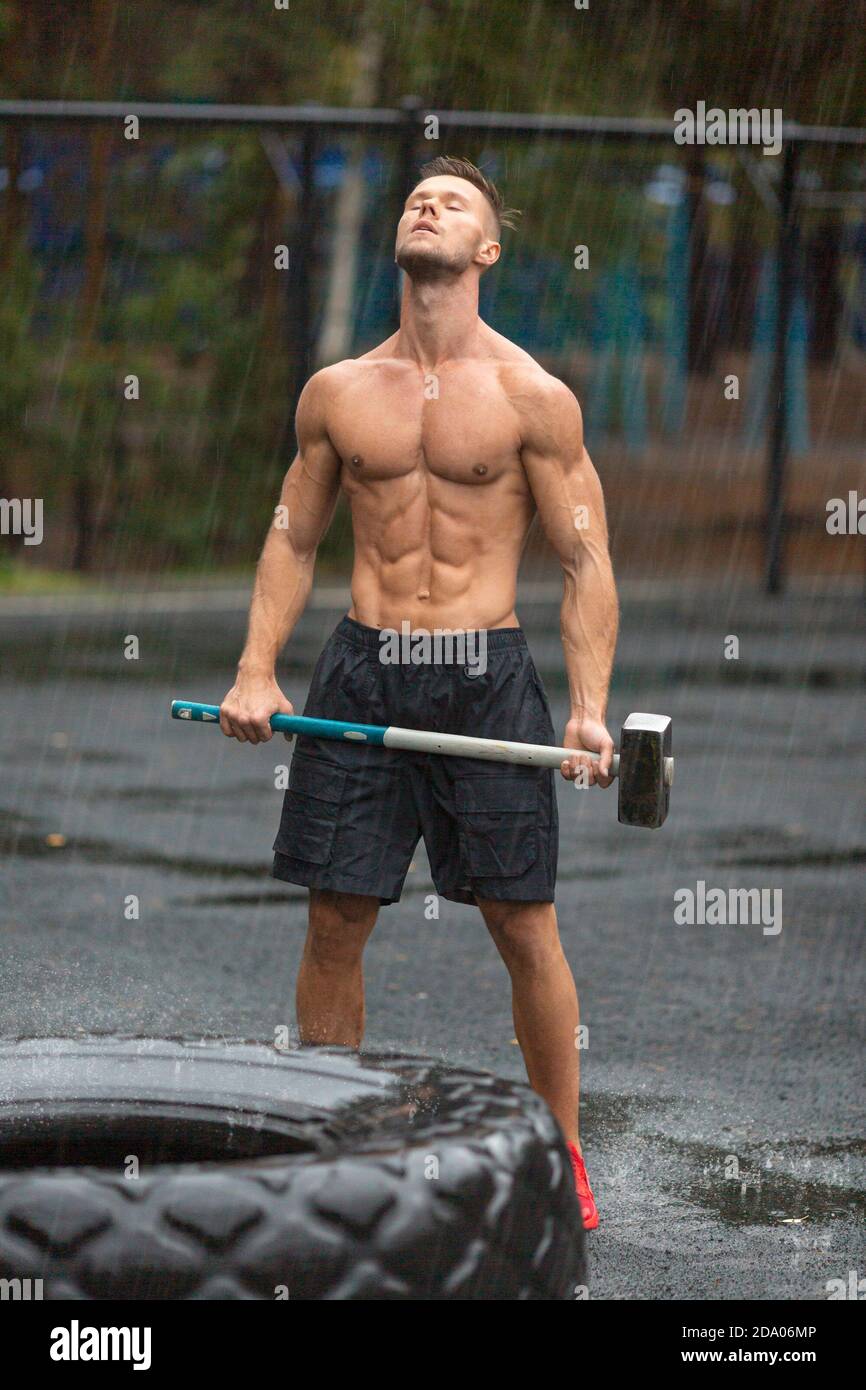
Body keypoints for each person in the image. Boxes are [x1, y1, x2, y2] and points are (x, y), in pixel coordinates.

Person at [220, 156, 618, 1230]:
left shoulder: (532, 396)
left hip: (483, 675)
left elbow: (584, 561)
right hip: (363, 664)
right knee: (336, 916)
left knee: (520, 921)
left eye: (452, 203)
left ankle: (559, 1156)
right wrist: (257, 667)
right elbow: (293, 534)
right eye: (415, 199)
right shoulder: (339, 391)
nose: (424, 206)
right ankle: (329, 1151)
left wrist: (587, 705)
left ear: (486, 250)